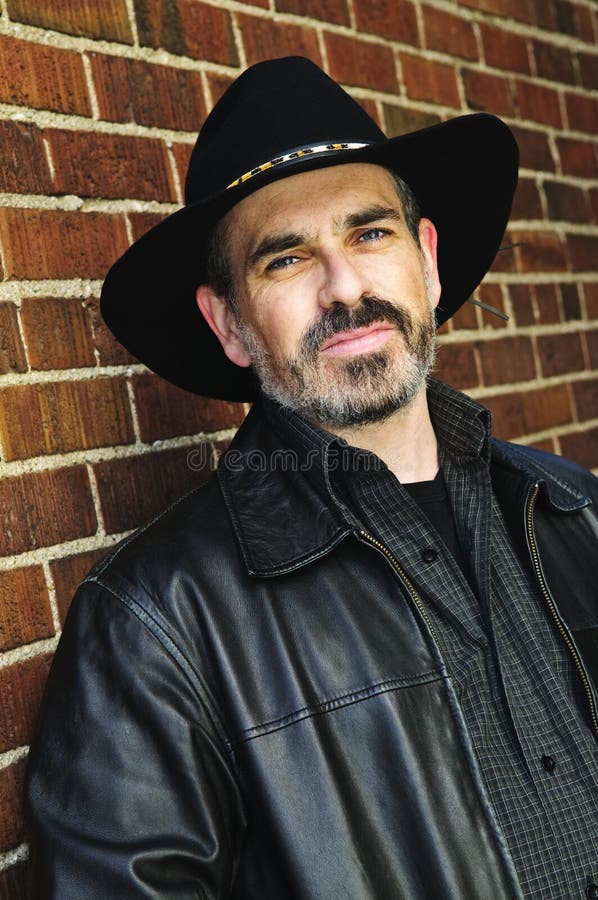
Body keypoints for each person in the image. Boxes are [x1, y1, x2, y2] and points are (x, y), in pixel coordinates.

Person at [26, 56, 598, 899]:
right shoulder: (157, 623)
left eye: (370, 233)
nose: (346, 287)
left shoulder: (575, 510)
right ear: (228, 323)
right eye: (285, 259)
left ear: (427, 261)